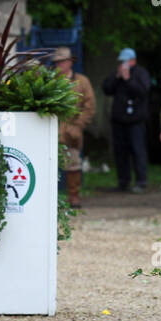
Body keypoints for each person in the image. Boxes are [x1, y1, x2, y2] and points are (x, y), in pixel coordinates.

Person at [102, 47, 152, 192]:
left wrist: (128, 79)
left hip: (136, 121)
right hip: (119, 121)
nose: (124, 64)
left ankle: (141, 181)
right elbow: (107, 89)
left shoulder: (141, 73)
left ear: (133, 60)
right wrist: (117, 77)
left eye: (126, 61)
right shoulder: (117, 73)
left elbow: (143, 91)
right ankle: (123, 181)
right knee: (120, 152)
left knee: (138, 151)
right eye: (122, 61)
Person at [54, 46, 96, 208]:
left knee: (73, 165)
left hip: (72, 131)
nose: (60, 65)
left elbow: (90, 106)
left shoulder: (82, 81)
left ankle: (74, 197)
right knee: (50, 166)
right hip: (52, 130)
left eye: (63, 61)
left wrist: (78, 125)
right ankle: (51, 197)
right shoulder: (50, 81)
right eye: (57, 62)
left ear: (70, 62)